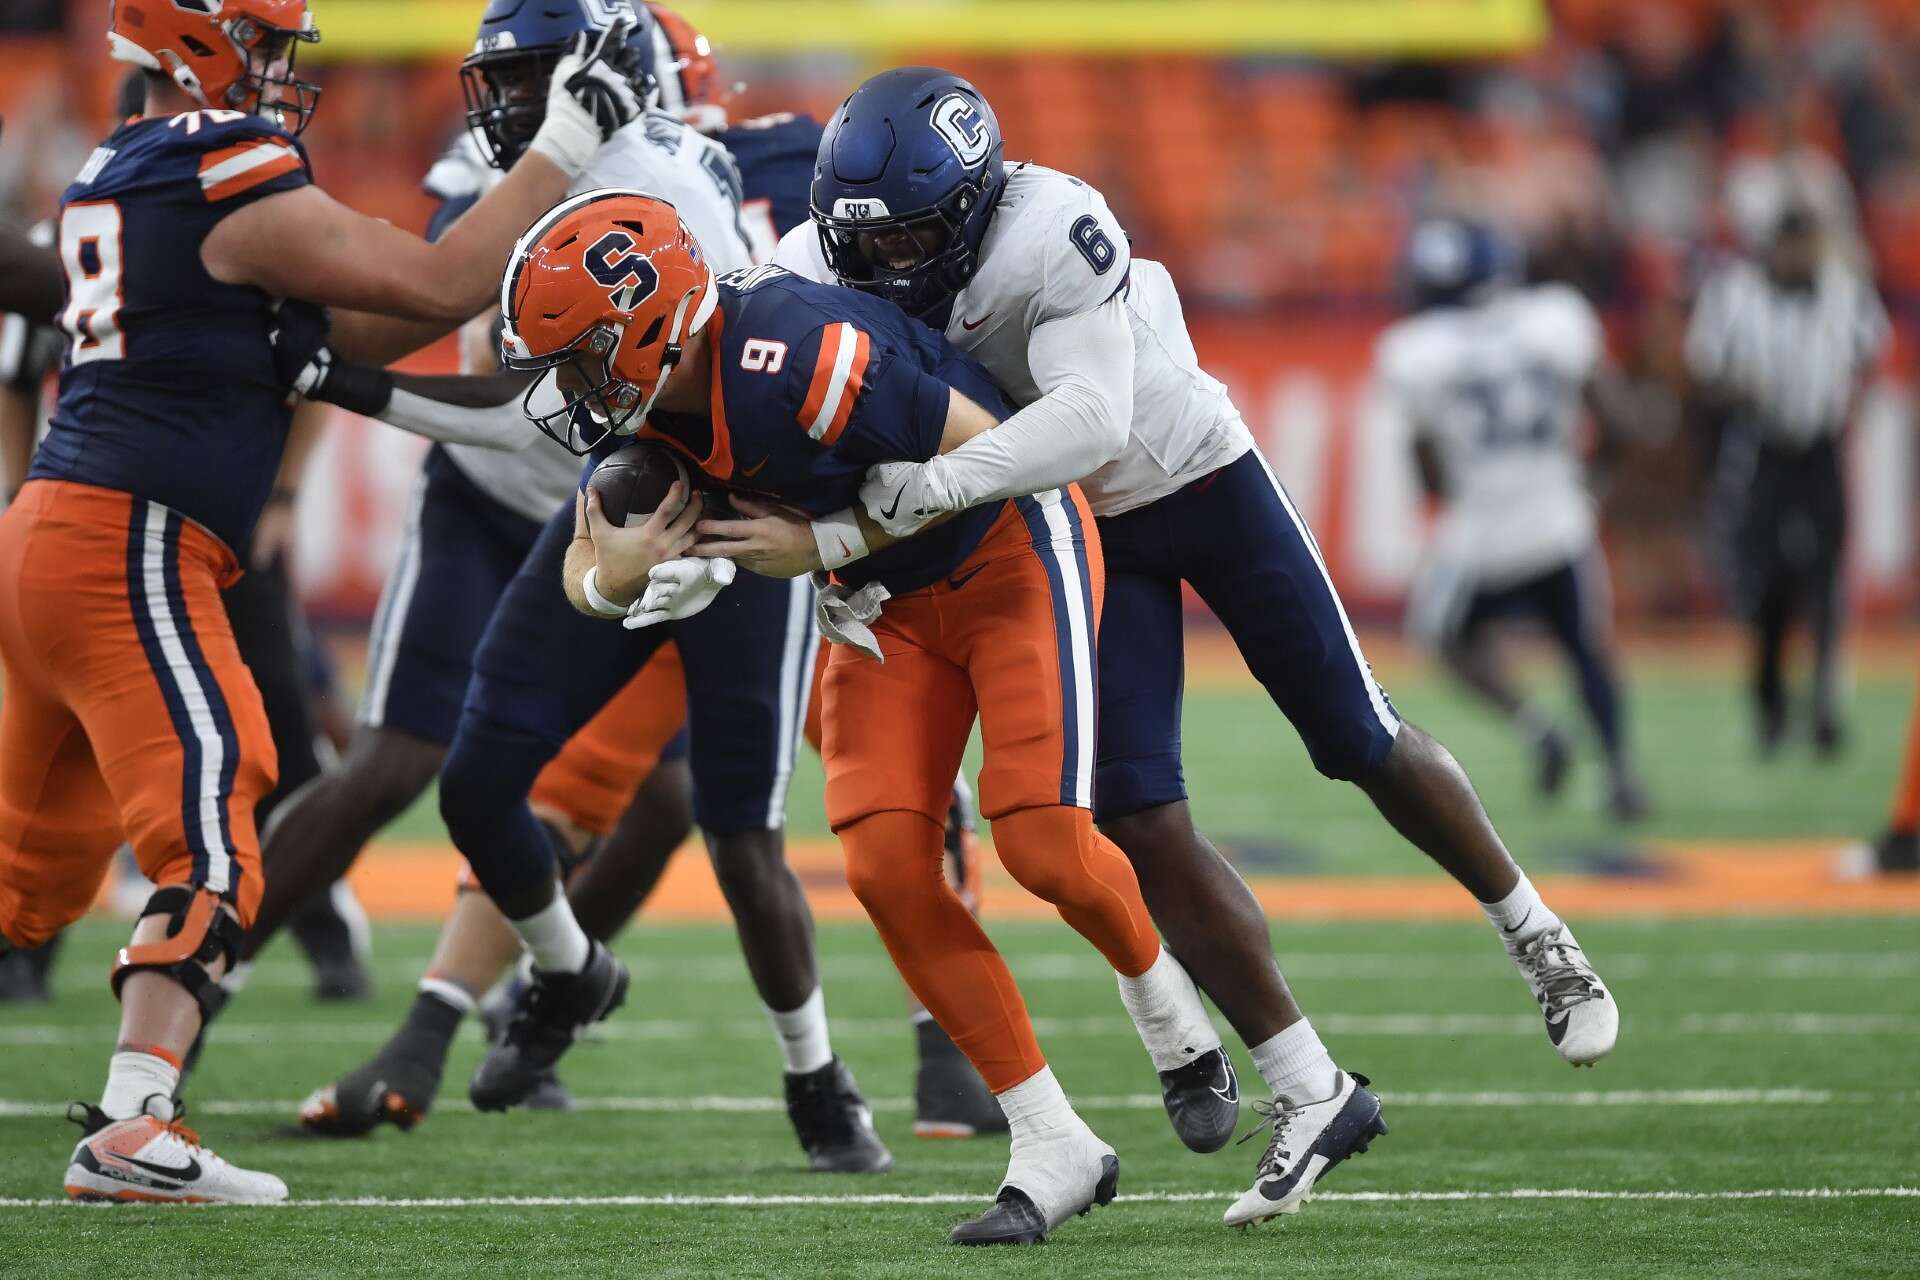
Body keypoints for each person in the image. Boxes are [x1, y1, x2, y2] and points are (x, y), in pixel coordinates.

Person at [730, 68, 1616, 1226]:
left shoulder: (1050, 225)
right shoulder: (809, 265)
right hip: (1077, 530)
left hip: (1193, 474)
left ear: (974, 202)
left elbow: (1091, 420)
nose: (888, 262)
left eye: (911, 233)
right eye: (869, 239)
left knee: (1357, 734)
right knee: (1139, 818)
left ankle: (1537, 933)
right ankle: (1308, 1085)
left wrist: (916, 496)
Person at [0, 0, 638, 1202]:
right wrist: (567, 139)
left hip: (55, 532)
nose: (279, 72)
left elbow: (358, 322)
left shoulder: (120, 164)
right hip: (128, 539)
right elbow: (441, 282)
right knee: (217, 816)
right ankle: (135, 1122)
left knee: (28, 879)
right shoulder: (214, 162)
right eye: (263, 42)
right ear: (194, 39)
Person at [512, 190, 1230, 1243]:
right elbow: (582, 562)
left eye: (581, 359)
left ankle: (1171, 1015)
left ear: (650, 326)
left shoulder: (796, 357)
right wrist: (617, 584)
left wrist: (828, 541)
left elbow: (993, 455)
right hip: (880, 607)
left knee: (1042, 840)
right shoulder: (652, 406)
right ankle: (1052, 1142)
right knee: (888, 866)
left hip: (1007, 553)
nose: (571, 389)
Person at [1381, 218, 1648, 821]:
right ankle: (1621, 772)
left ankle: (1537, 728)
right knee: (1587, 649)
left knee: (1442, 638)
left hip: (1482, 535)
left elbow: (1431, 478)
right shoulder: (1557, 318)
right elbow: (1617, 419)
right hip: (1558, 518)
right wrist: (1589, 484)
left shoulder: (1416, 351)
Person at [1687, 203, 1889, 757]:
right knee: (1766, 582)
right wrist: (1744, 389)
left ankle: (1825, 702)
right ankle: (1770, 703)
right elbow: (1706, 372)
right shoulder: (1736, 295)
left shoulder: (1845, 293)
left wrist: (1843, 399)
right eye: (1792, 244)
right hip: (1764, 450)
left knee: (1826, 579)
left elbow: (1873, 352)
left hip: (1821, 450)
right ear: (1773, 247)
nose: (1801, 256)